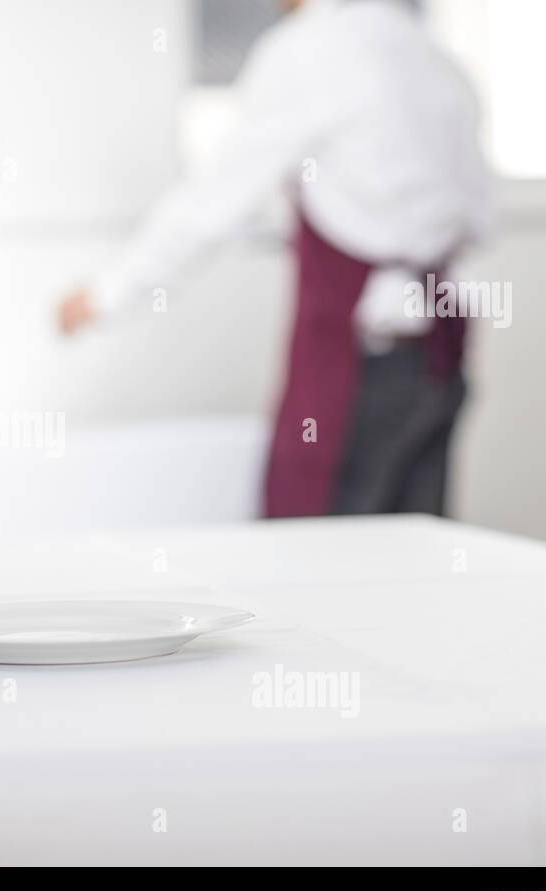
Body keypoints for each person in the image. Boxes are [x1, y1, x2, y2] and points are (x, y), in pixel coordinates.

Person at [59, 0, 492, 518]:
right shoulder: (433, 57)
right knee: (420, 563)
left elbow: (211, 201)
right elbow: (478, 217)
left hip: (362, 365)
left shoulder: (306, 50)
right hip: (441, 353)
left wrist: (108, 295)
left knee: (314, 558)